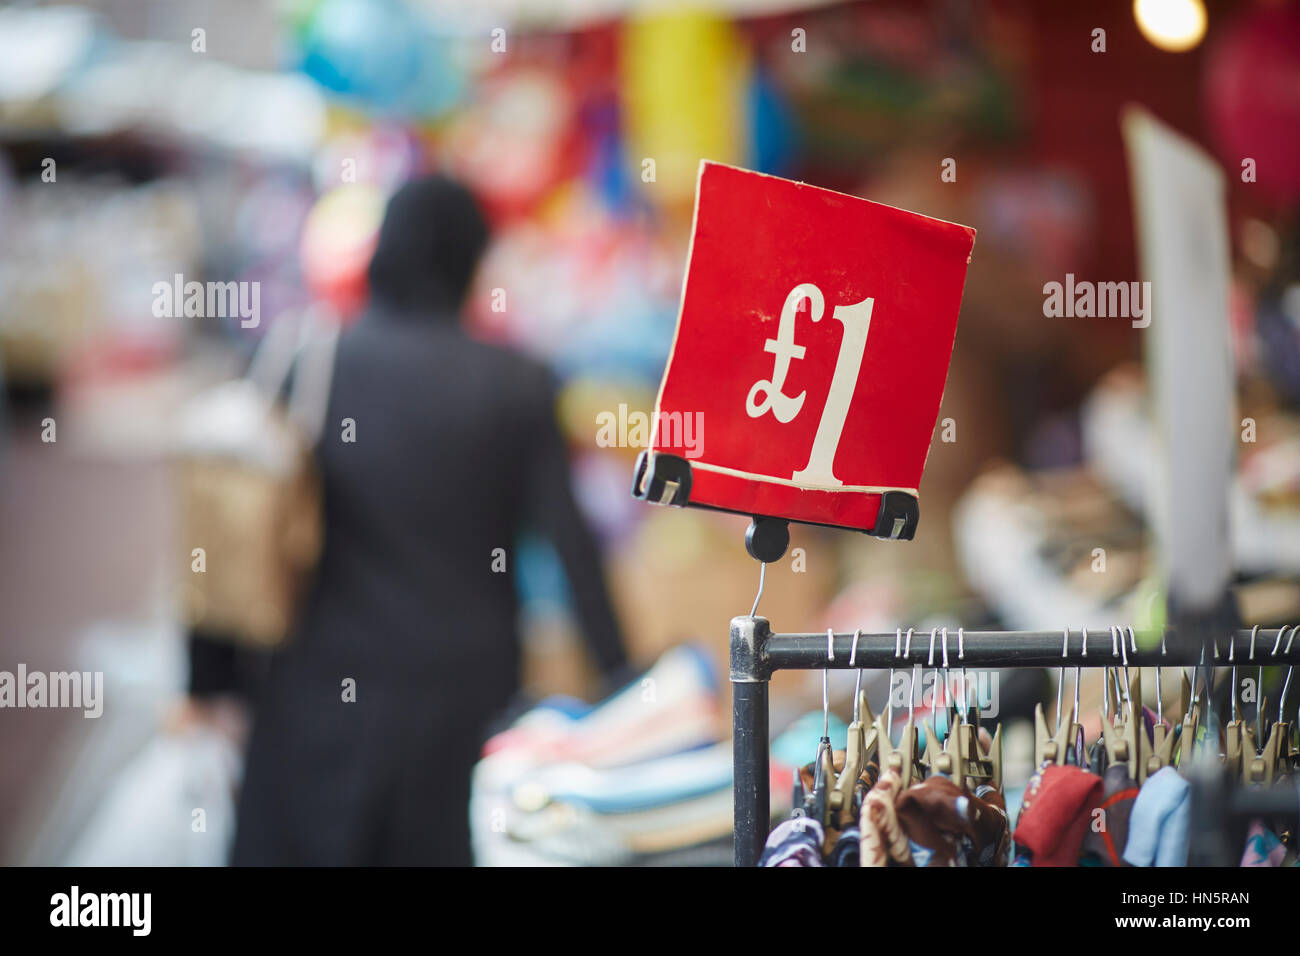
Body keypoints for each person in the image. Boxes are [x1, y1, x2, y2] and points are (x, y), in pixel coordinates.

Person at [190, 175, 628, 865]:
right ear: (471, 262)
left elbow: (229, 525)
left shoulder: (304, 362)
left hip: (315, 697)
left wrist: (207, 678)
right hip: (464, 704)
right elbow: (572, 547)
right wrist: (622, 681)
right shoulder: (517, 380)